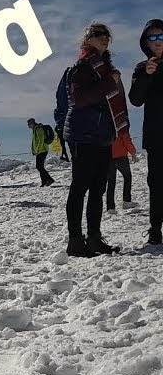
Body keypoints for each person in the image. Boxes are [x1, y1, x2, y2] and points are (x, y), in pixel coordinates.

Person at [62, 23, 121, 257]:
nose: (104, 38)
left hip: (102, 135)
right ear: (87, 39)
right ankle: (75, 240)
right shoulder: (82, 67)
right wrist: (109, 84)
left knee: (98, 188)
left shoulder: (106, 68)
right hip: (84, 134)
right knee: (80, 187)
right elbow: (79, 99)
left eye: (107, 35)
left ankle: (94, 238)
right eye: (98, 34)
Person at [129, 19, 163, 246]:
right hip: (157, 135)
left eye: (161, 36)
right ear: (146, 43)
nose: (158, 41)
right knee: (157, 183)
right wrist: (146, 76)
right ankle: (155, 228)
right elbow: (135, 100)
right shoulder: (142, 68)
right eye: (152, 37)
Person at [106, 131, 137, 213]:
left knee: (111, 182)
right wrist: (133, 152)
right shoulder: (121, 121)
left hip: (108, 156)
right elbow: (126, 139)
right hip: (121, 155)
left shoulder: (105, 120)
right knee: (127, 177)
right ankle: (126, 201)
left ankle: (110, 207)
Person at [27, 118, 56, 186]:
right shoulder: (35, 129)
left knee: (39, 166)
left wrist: (37, 150)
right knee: (40, 166)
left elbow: (41, 140)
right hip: (40, 150)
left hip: (42, 150)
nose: (28, 126)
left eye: (29, 124)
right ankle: (44, 182)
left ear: (32, 123)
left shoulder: (38, 129)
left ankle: (49, 179)